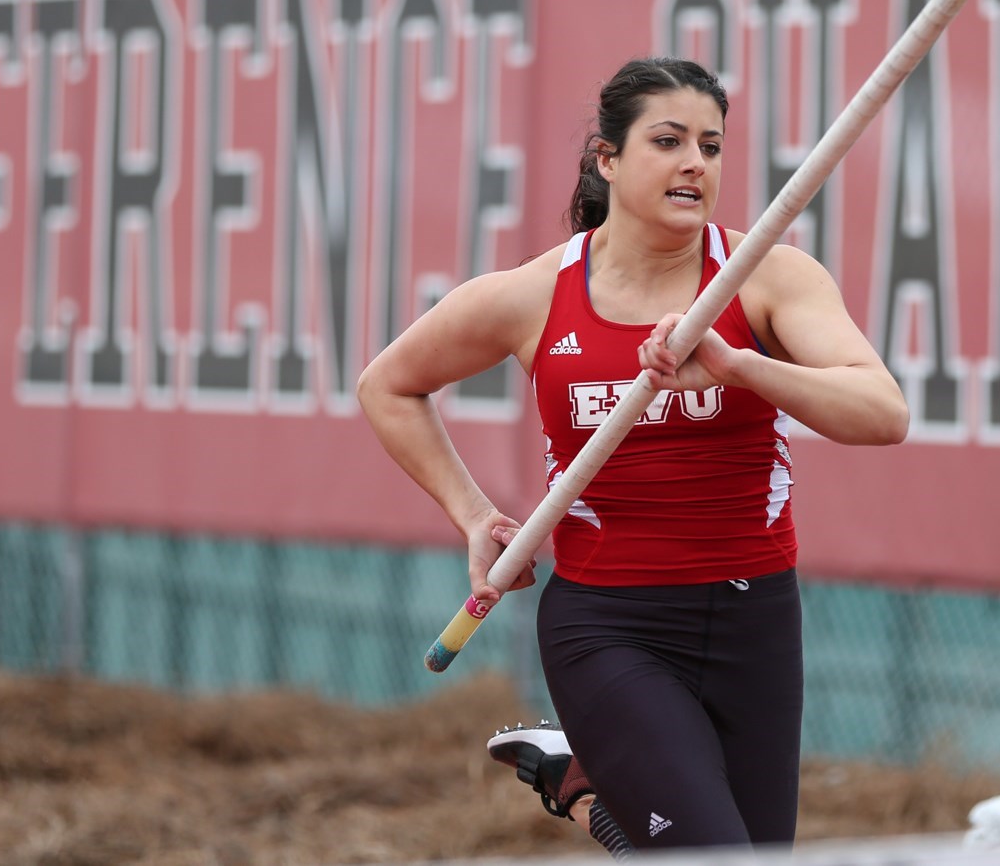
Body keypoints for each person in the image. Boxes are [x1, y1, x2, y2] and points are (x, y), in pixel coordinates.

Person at [356, 56, 908, 854]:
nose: (695, 162)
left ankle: (576, 783)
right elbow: (388, 385)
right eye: (669, 140)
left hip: (757, 616)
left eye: (712, 147)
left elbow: (882, 412)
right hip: (609, 621)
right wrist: (474, 515)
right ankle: (587, 779)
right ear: (606, 160)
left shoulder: (766, 279)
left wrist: (741, 365)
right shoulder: (536, 294)